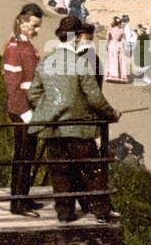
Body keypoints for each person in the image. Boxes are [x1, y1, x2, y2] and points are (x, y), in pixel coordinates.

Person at [27, 15, 120, 224]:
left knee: (60, 173)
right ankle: (102, 212)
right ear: (77, 37)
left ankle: (65, 213)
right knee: (92, 170)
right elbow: (95, 98)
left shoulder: (46, 63)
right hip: (78, 130)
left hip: (52, 130)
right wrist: (112, 113)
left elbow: (33, 95)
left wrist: (50, 108)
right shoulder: (80, 64)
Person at [3, 6, 44, 215]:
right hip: (22, 110)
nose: (36, 30)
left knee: (28, 154)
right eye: (34, 26)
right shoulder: (14, 48)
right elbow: (13, 87)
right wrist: (25, 112)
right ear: (22, 22)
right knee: (21, 155)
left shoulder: (26, 45)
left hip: (30, 108)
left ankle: (24, 197)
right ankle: (17, 202)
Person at [105, 16, 130, 83]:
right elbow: (124, 39)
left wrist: (106, 46)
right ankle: (120, 75)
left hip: (112, 45)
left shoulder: (110, 29)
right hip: (119, 45)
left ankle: (112, 75)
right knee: (119, 60)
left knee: (112, 60)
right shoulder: (122, 30)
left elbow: (108, 39)